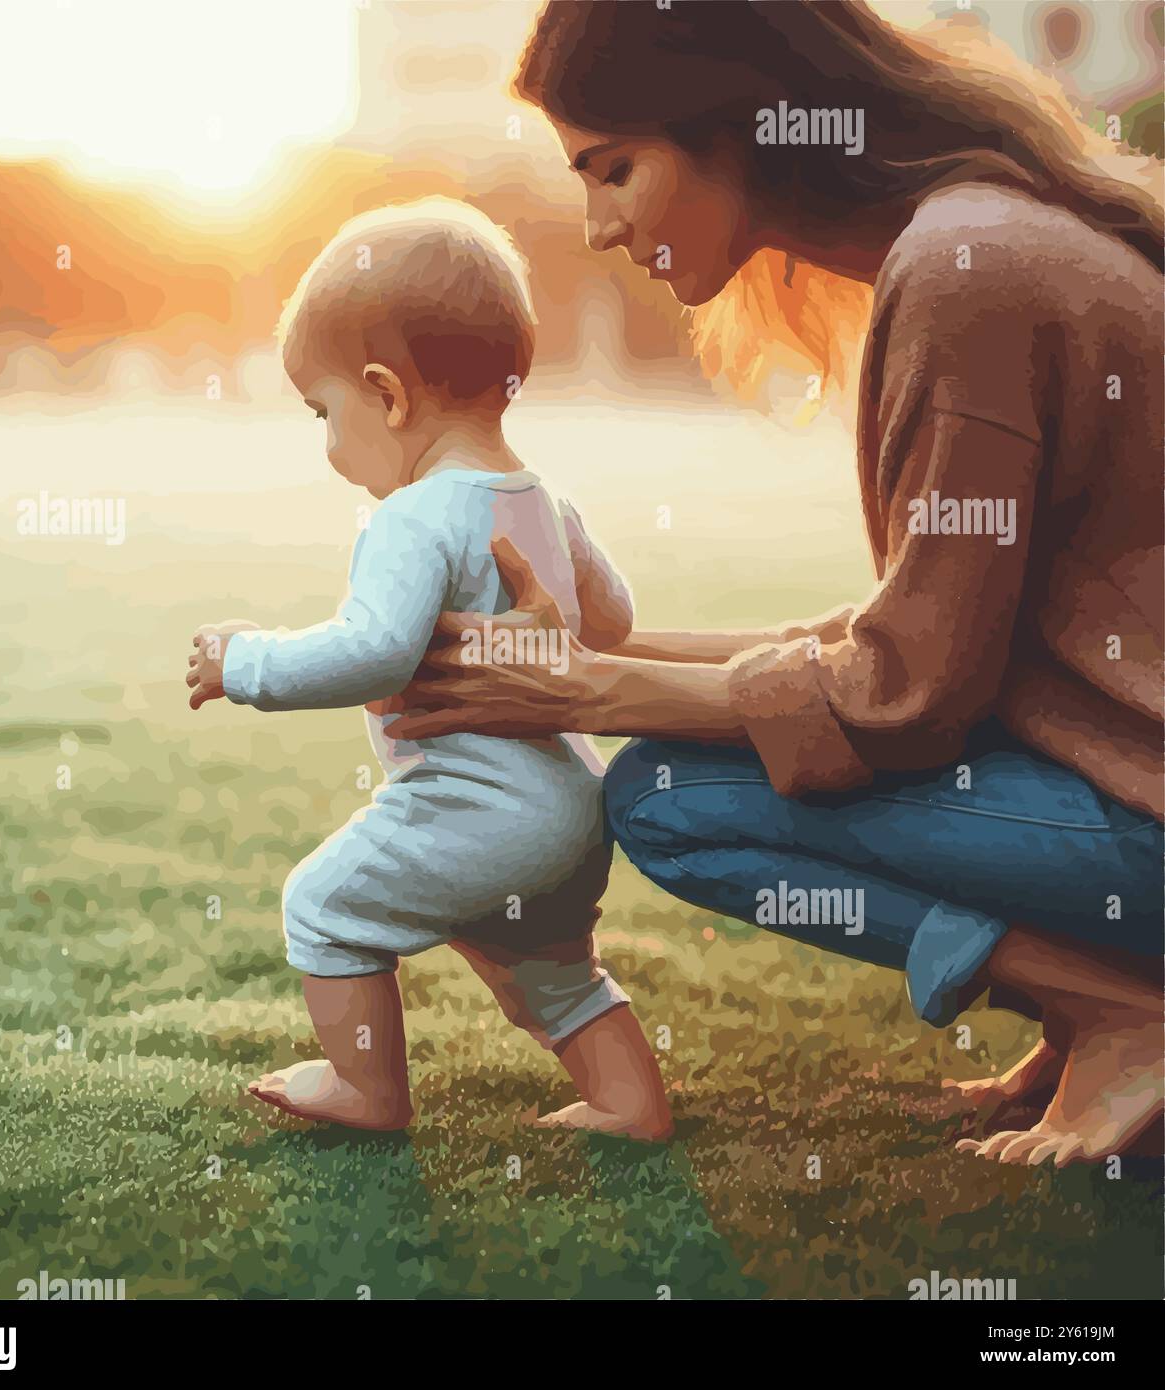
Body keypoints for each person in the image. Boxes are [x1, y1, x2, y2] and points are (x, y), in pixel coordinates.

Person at [387, 1, 1164, 1166]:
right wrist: (597, 666)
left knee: (666, 799)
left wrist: (590, 695)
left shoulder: (967, 272)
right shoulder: (981, 239)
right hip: (1121, 791)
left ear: (739, 123)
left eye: (615, 170)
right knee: (679, 767)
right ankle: (1085, 1006)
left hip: (1140, 818)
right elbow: (916, 638)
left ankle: (1125, 1011)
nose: (598, 225)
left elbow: (908, 692)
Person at [184, 199, 671, 1140]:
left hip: (475, 809)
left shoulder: (411, 517)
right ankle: (629, 1102)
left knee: (323, 908)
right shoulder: (542, 501)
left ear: (388, 395)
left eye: (325, 412)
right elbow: (612, 619)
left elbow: (373, 649)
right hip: (570, 807)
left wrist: (246, 661)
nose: (329, 443)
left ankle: (366, 1089)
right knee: (552, 977)